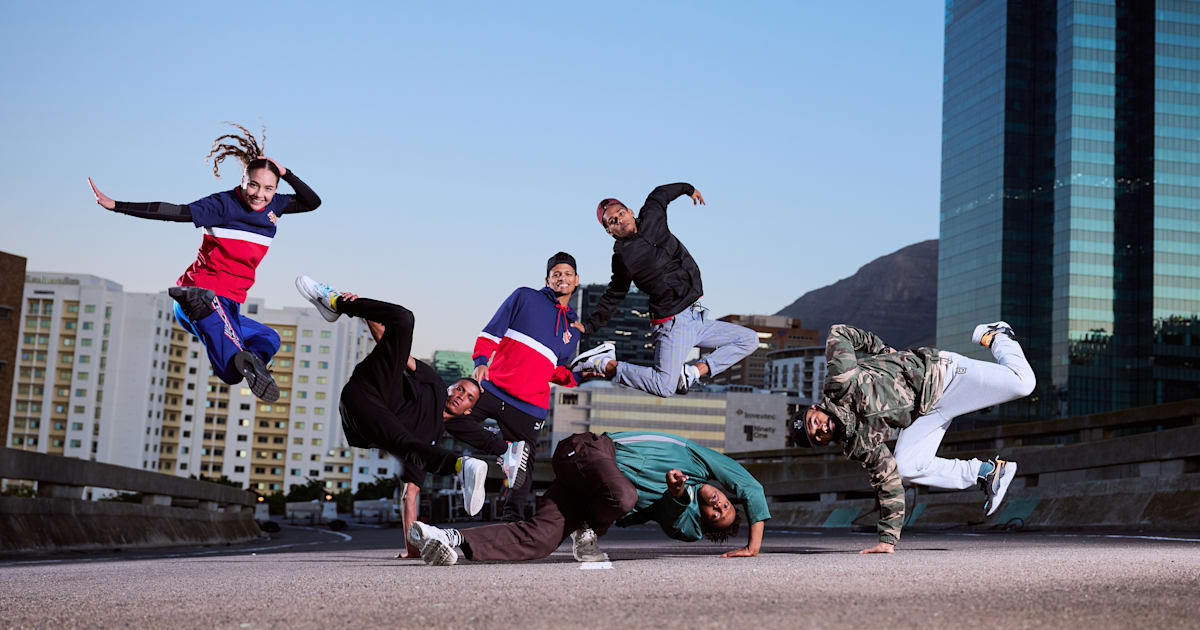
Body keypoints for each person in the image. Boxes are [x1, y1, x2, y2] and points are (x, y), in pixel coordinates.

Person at [88, 123, 321, 401]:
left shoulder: (275, 206)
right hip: (207, 296)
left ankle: (256, 364)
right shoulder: (222, 205)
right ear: (243, 180)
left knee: (269, 339)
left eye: (268, 188)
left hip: (227, 304)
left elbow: (312, 202)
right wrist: (118, 206)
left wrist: (286, 173)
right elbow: (175, 212)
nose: (259, 194)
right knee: (231, 373)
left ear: (275, 189)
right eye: (253, 185)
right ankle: (204, 308)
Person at [294, 275, 515, 539]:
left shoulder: (428, 440)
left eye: (468, 397)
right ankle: (334, 302)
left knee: (408, 444)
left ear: (468, 410)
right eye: (459, 389)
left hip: (368, 419)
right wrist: (364, 311)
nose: (460, 396)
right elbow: (396, 351)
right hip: (372, 386)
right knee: (404, 318)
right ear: (450, 388)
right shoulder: (434, 382)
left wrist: (412, 548)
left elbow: (410, 495)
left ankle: (461, 467)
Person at [790, 322, 1035, 554]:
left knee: (1023, 384)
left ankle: (997, 335)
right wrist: (887, 539)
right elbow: (888, 482)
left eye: (814, 422)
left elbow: (839, 332)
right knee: (906, 466)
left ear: (815, 408)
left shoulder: (840, 381)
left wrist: (882, 350)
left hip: (940, 374)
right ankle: (987, 472)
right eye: (817, 436)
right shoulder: (859, 443)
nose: (821, 429)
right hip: (926, 411)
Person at [407, 430, 770, 566]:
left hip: (581, 494)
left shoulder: (683, 519)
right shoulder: (699, 459)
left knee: (540, 540)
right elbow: (752, 488)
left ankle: (447, 539)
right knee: (625, 495)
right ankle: (588, 534)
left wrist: (675, 494)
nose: (719, 504)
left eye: (715, 514)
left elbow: (678, 524)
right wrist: (753, 547)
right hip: (588, 452)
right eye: (725, 504)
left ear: (702, 519)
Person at [570, 183, 758, 397]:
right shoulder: (623, 257)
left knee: (749, 340)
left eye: (621, 213)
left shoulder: (652, 215)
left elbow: (660, 194)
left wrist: (688, 189)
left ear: (630, 212)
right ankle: (605, 364)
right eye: (613, 221)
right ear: (610, 231)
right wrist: (590, 326)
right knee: (664, 386)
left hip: (695, 318)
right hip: (672, 322)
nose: (619, 220)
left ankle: (693, 373)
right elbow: (615, 293)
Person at [449, 252, 582, 521]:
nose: (562, 278)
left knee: (524, 467)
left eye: (568, 274)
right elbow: (492, 330)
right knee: (447, 417)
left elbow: (552, 369)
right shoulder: (525, 297)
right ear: (547, 279)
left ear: (576, 280)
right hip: (494, 387)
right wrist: (481, 361)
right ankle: (500, 450)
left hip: (530, 405)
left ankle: (512, 522)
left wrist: (577, 377)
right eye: (556, 274)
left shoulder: (573, 329)